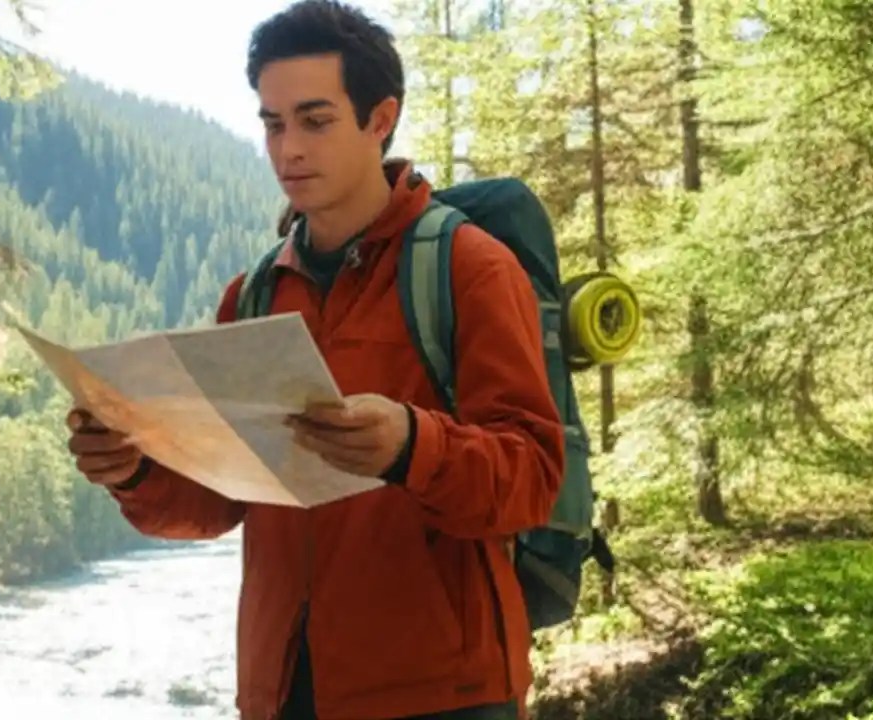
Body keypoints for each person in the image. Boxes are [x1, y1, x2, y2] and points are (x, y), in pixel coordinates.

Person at [65, 1, 564, 718]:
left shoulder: (469, 270)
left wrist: (413, 446)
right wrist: (137, 469)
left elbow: (532, 479)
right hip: (283, 688)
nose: (288, 148)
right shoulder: (255, 294)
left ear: (380, 119)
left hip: (444, 693)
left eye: (315, 119)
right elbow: (220, 499)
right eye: (272, 123)